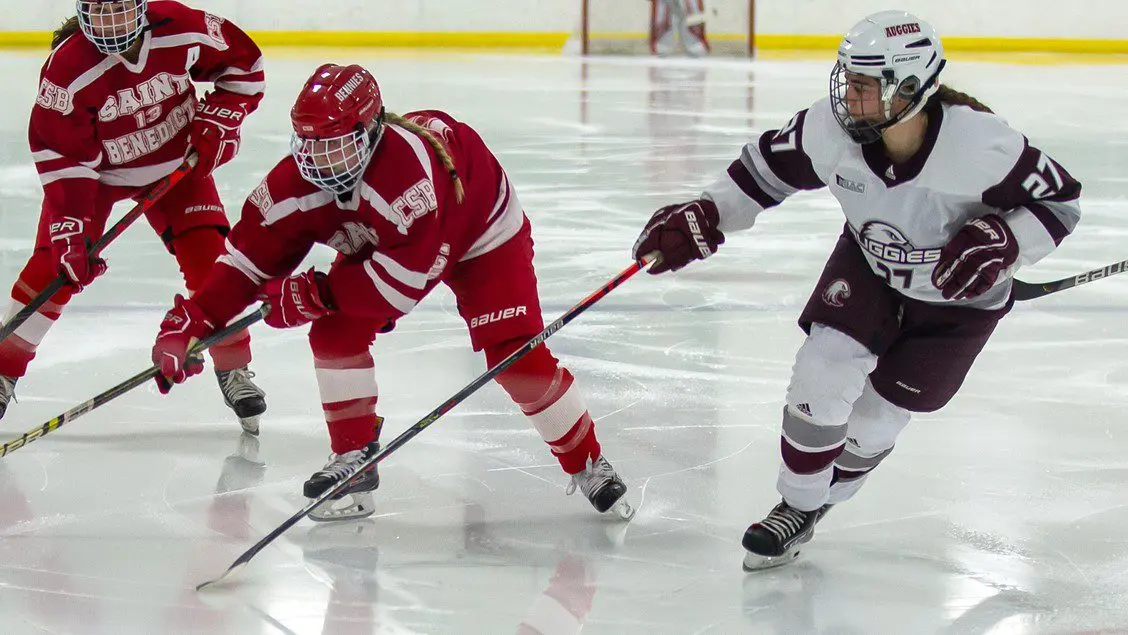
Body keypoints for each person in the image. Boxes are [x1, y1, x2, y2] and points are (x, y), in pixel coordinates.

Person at [631, 10, 1081, 570]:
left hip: (956, 302)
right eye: (848, 79)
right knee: (822, 369)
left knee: (874, 423)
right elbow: (760, 173)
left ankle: (819, 505)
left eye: (866, 86)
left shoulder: (980, 144)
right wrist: (706, 213)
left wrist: (1004, 239)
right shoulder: (829, 130)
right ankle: (793, 507)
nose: (848, 98)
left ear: (912, 88)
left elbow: (1059, 202)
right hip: (869, 266)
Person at [149, 63, 633, 522]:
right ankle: (354, 461)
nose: (320, 162)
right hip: (392, 238)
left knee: (516, 357)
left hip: (480, 229)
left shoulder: (404, 176)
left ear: (372, 131)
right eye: (310, 146)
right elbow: (245, 261)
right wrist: (196, 318)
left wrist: (317, 290)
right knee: (335, 334)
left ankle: (588, 462)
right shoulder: (294, 181)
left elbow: (398, 285)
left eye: (336, 147)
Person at [0, 0, 267, 432]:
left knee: (215, 267)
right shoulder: (67, 69)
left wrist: (222, 118)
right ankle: (3, 370)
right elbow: (62, 155)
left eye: (120, 7)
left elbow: (244, 66)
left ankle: (233, 367)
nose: (110, 21)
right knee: (55, 268)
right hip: (97, 179)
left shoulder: (181, 26)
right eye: (98, 9)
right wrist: (70, 228)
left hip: (176, 168)